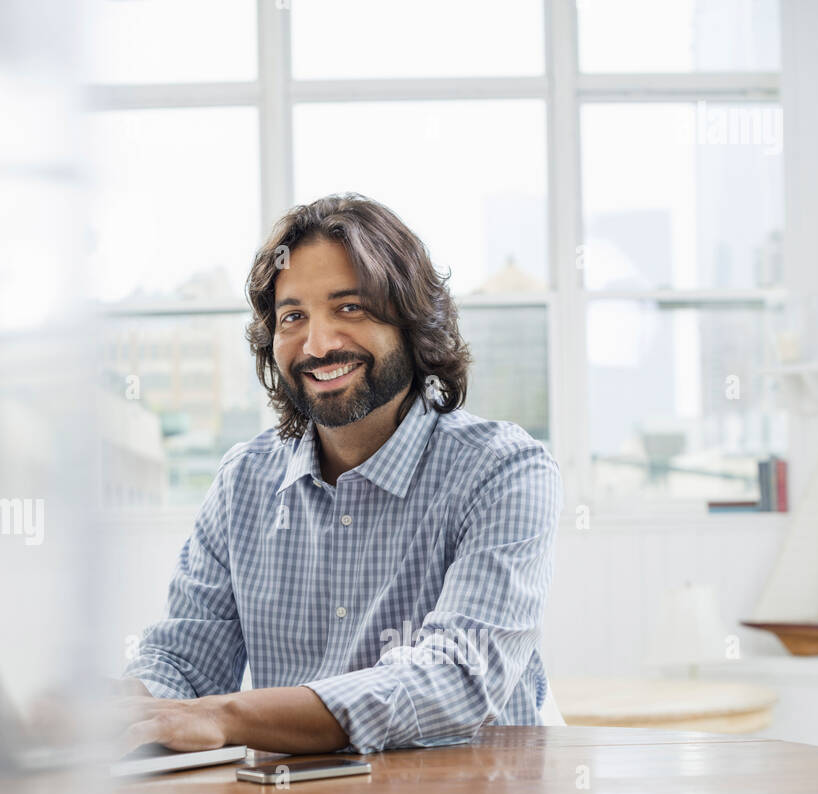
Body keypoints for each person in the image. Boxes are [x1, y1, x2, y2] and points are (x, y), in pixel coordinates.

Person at [118, 193, 563, 756]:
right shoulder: (242, 482)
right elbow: (185, 662)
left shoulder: (504, 471)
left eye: (350, 308)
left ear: (411, 323)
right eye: (293, 317)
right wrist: (119, 708)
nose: (318, 344)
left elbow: (458, 679)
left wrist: (228, 716)